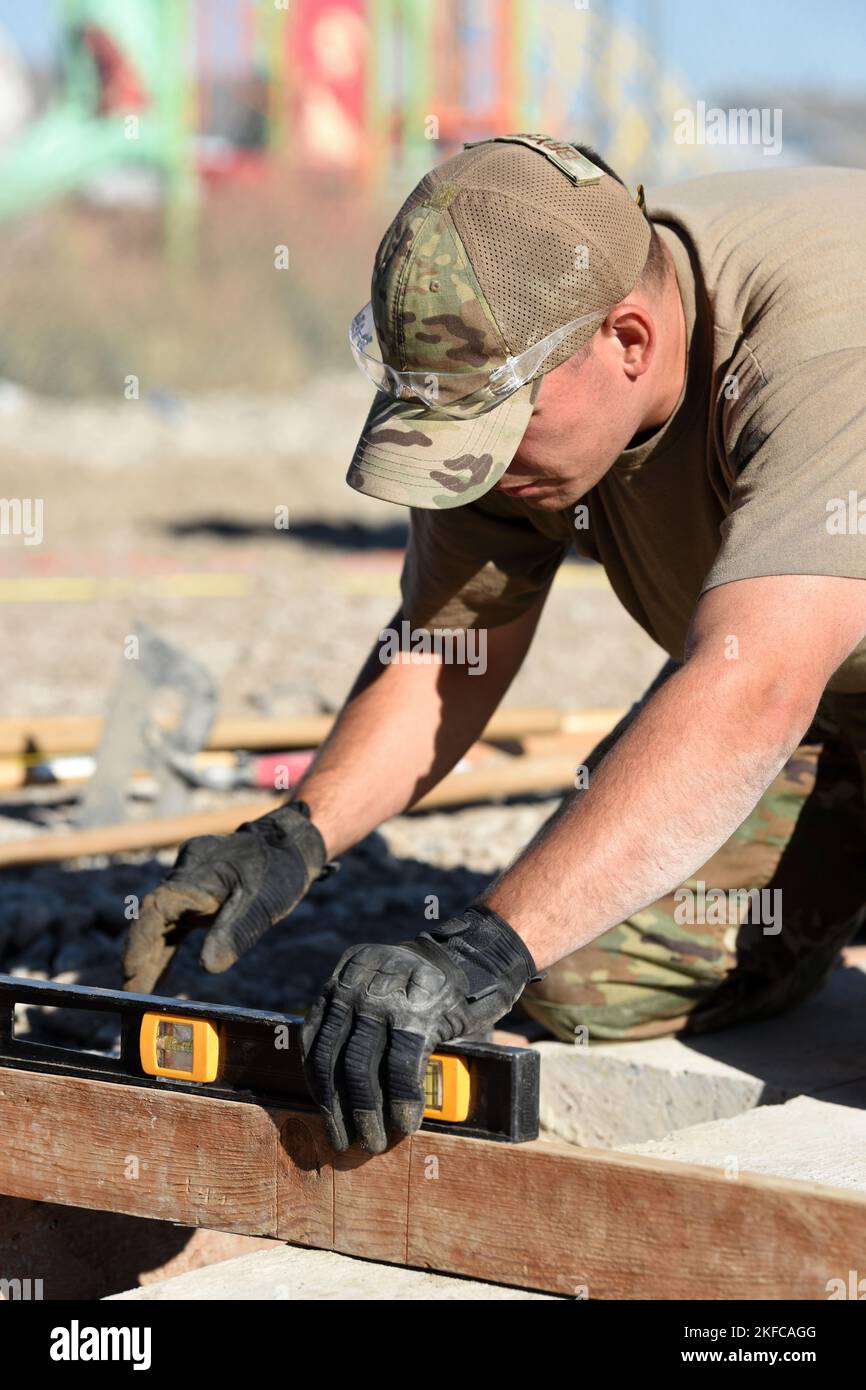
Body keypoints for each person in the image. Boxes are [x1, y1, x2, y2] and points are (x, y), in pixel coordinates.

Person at [123, 134, 866, 1155]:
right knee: (575, 964)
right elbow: (445, 649)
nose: (475, 467)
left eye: (498, 426)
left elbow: (755, 688)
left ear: (630, 341)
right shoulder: (527, 393)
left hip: (786, 683)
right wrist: (297, 834)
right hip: (833, 699)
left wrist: (481, 945)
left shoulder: (826, 341)